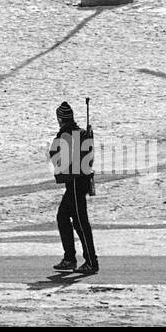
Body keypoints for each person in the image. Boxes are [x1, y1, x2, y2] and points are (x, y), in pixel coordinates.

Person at [50, 101, 98, 274]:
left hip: (76, 182)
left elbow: (56, 153)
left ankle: (91, 261)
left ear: (61, 119)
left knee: (80, 222)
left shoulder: (67, 135)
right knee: (63, 216)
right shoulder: (80, 133)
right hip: (78, 182)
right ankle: (70, 258)